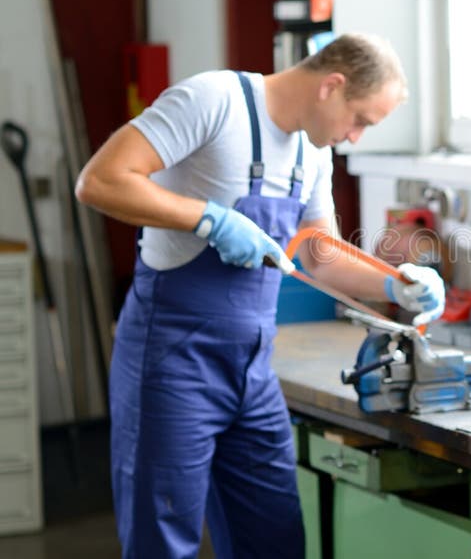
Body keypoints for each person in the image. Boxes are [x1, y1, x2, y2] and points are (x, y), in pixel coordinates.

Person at [75, 33, 445, 559]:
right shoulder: (213, 101)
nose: (355, 137)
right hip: (172, 362)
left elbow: (318, 253)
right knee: (161, 542)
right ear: (332, 87)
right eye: (360, 119)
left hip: (251, 370)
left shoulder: (311, 152)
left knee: (273, 540)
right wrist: (207, 217)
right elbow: (101, 180)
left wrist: (394, 285)